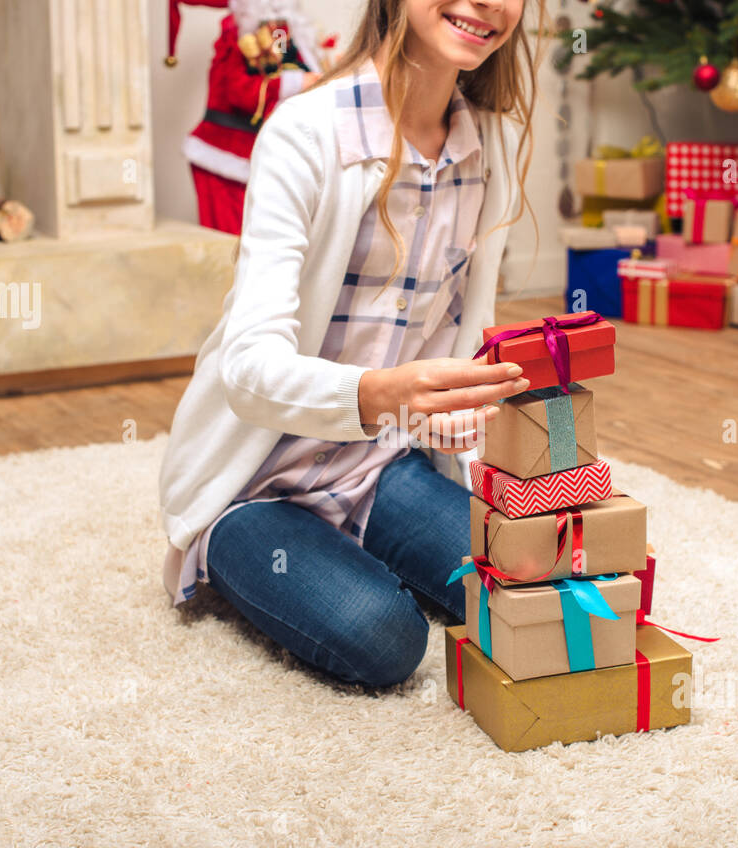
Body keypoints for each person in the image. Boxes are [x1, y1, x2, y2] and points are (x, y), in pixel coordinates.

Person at [159, 0, 545, 686]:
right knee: (388, 639)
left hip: (383, 463)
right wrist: (378, 394)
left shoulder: (492, 146)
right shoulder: (304, 131)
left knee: (531, 581)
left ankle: (359, 543)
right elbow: (247, 369)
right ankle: (226, 550)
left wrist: (484, 436)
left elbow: (469, 337)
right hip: (257, 481)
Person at [166, 0, 329, 234]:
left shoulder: (280, 30)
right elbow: (239, 91)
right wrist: (298, 82)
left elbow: (287, 65)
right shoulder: (238, 32)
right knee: (230, 250)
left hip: (262, 158)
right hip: (225, 160)